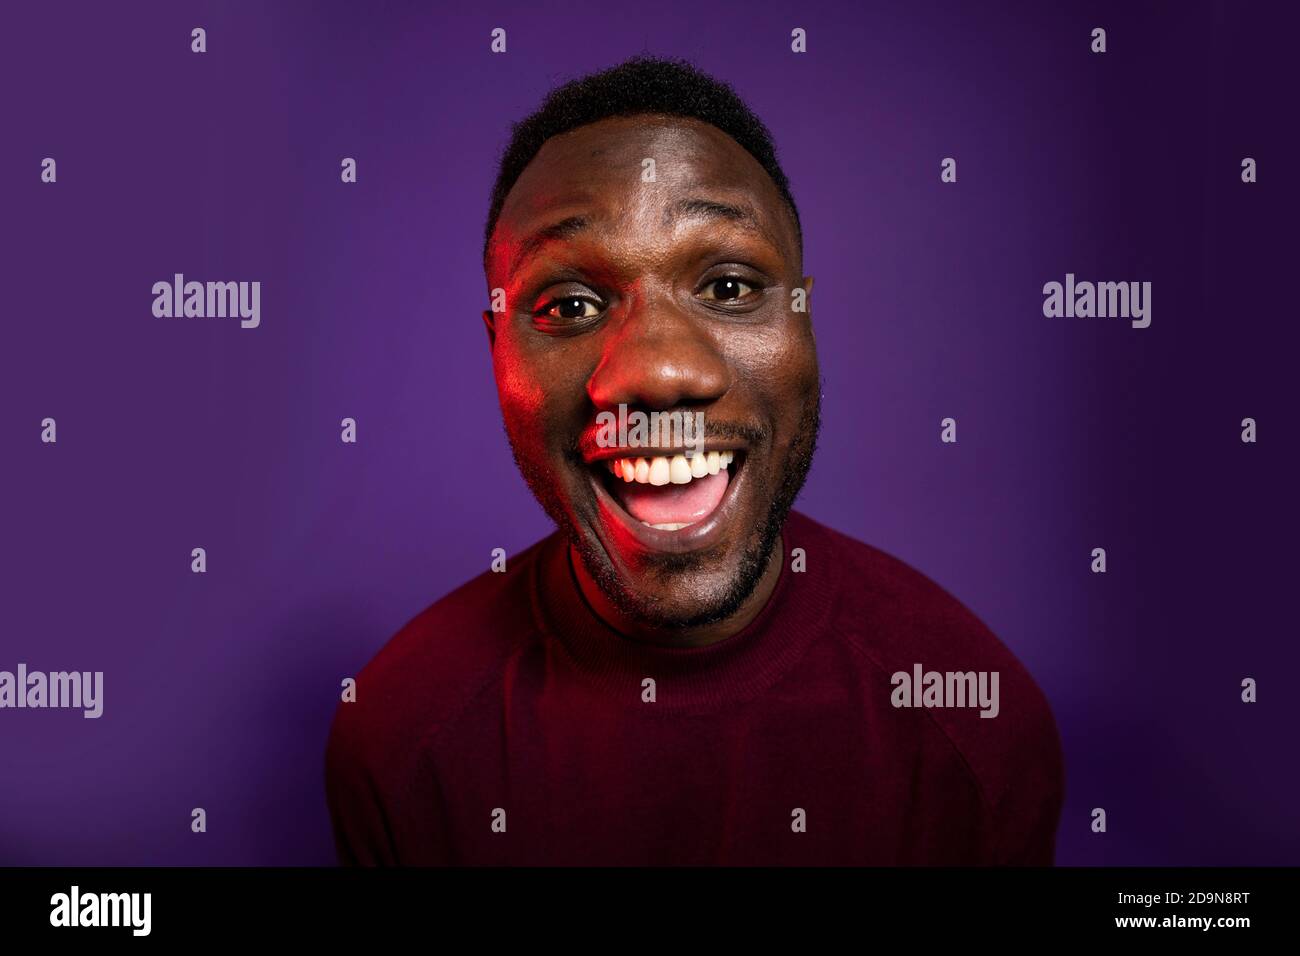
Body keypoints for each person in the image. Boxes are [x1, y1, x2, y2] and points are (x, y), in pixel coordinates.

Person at [325, 56, 1064, 865]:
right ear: (497, 348)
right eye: (570, 305)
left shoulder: (972, 724)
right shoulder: (399, 738)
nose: (659, 372)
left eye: (730, 287)